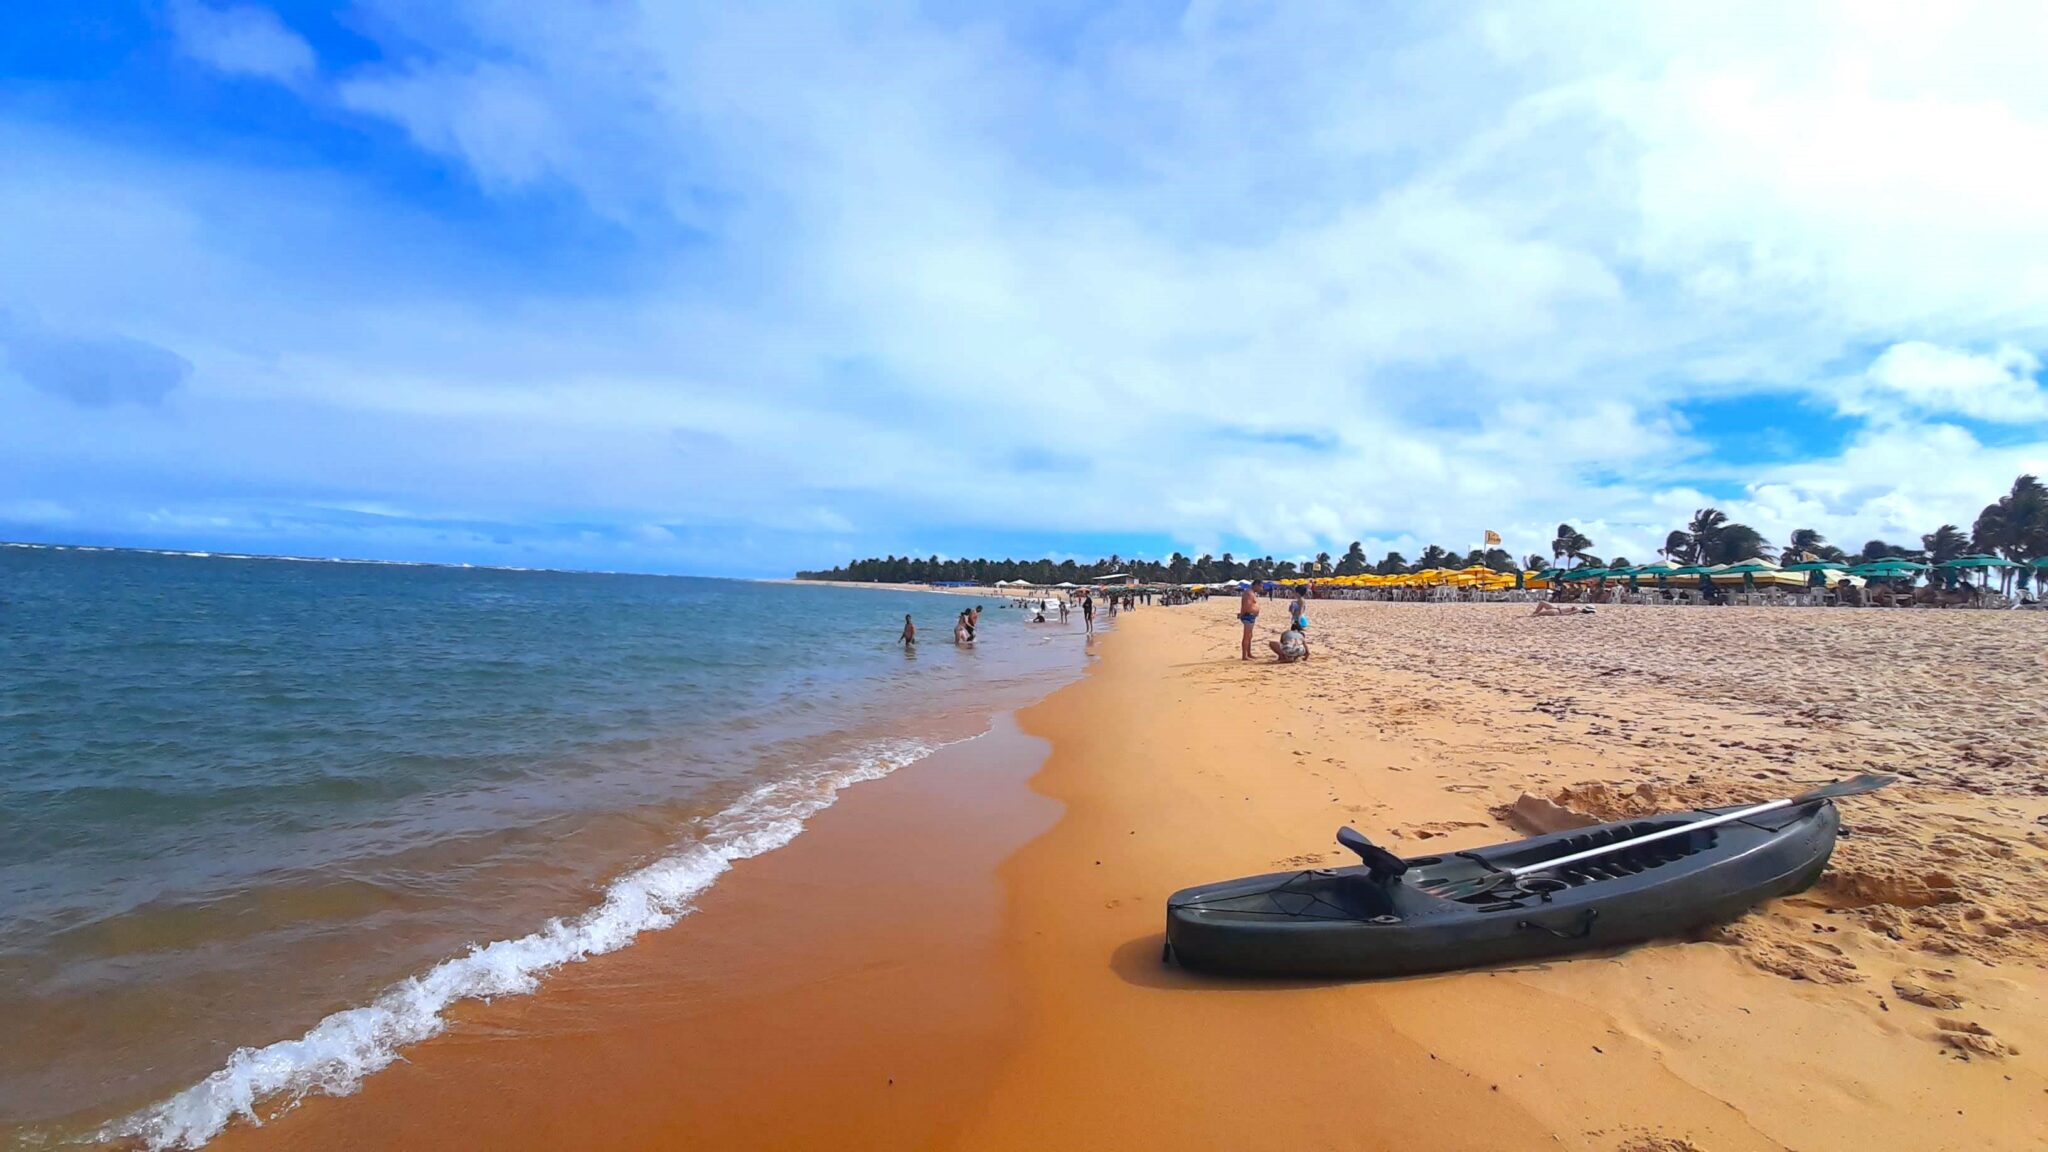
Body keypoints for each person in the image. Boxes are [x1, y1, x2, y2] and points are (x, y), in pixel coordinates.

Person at [1238, 582, 1260, 661]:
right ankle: (1244, 656)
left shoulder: (1252, 593)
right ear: (1256, 585)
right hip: (1248, 615)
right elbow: (1246, 605)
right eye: (1260, 587)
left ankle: (1249, 653)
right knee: (1247, 636)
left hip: (1251, 616)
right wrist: (1242, 614)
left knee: (1250, 636)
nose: (1261, 589)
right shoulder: (1248, 593)